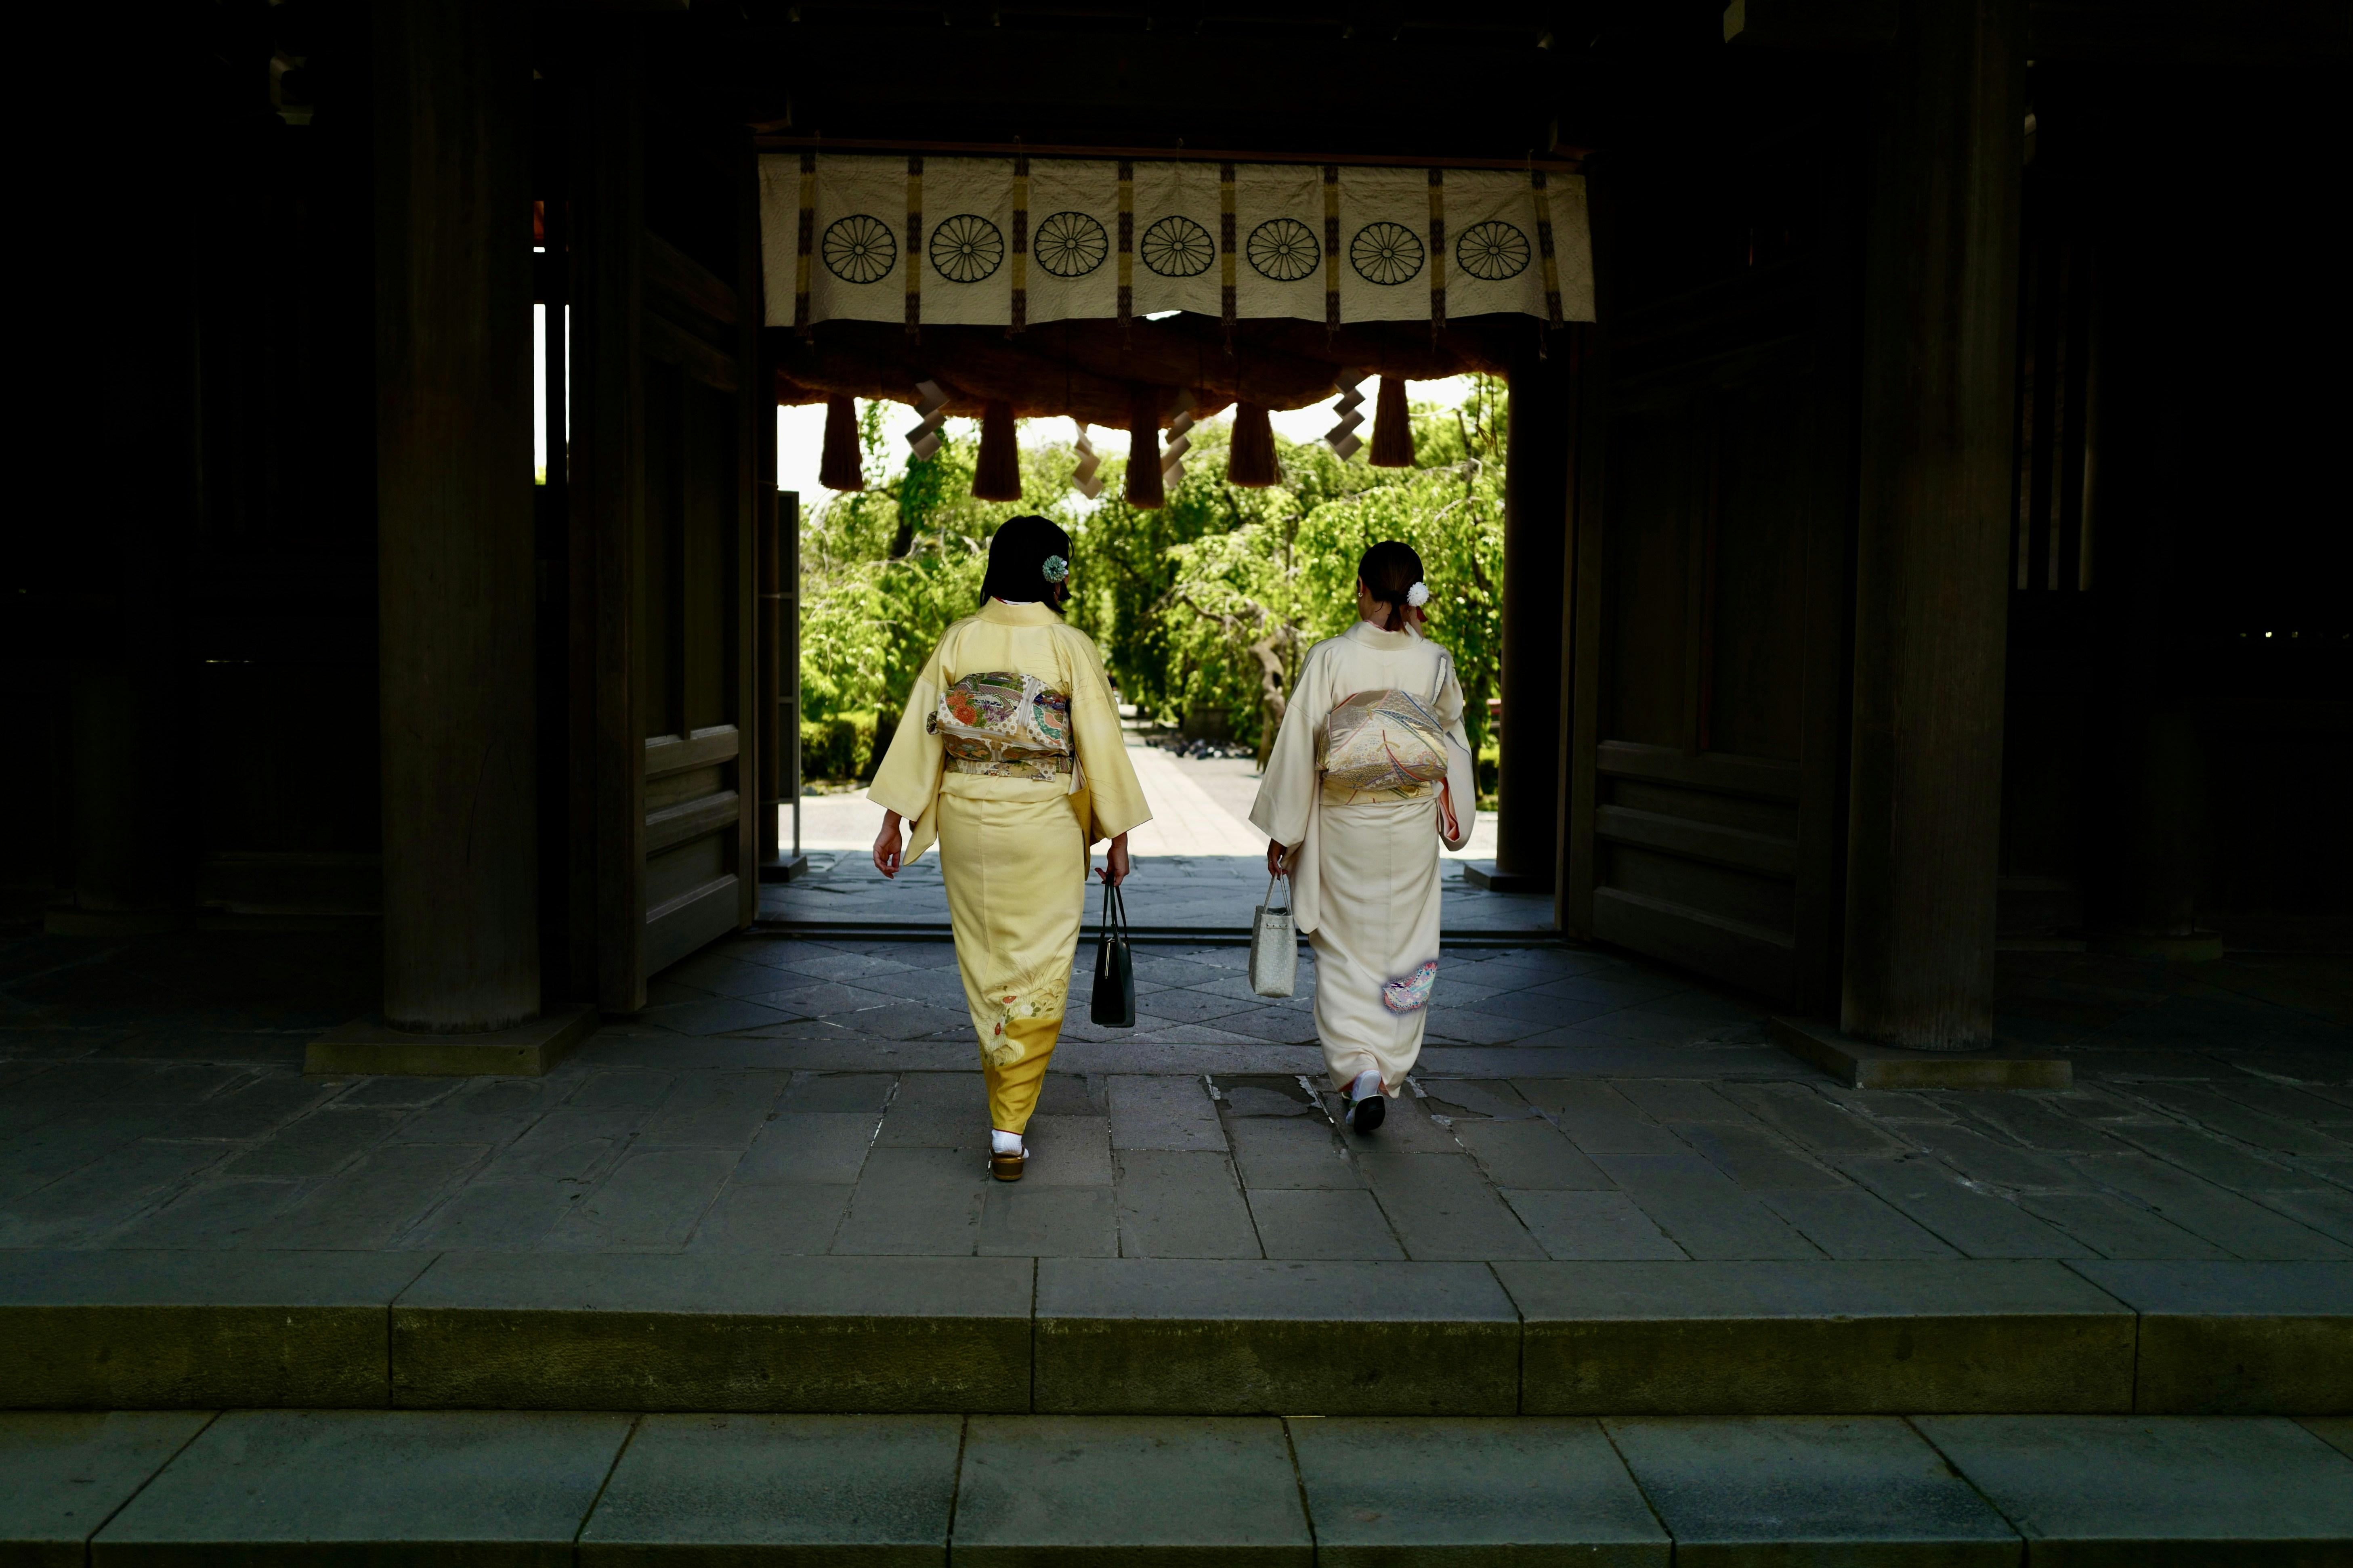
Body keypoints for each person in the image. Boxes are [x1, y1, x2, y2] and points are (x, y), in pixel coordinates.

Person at [867, 515, 1150, 1181]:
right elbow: (1102, 748)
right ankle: (1008, 1126)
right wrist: (1120, 836)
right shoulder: (1068, 645)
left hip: (969, 819)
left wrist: (892, 821)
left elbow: (921, 734)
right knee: (1040, 964)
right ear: (1056, 571)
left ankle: (1005, 1107)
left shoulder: (961, 639)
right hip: (1045, 822)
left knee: (987, 961)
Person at [1249, 541, 1476, 1132]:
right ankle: (1390, 1061)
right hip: (1409, 827)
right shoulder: (1435, 662)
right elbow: (1451, 734)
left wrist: (1285, 833)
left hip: (1345, 824)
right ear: (1413, 595)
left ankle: (1359, 1073)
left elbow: (1300, 746)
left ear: (1363, 588)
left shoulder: (1331, 658)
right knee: (1407, 946)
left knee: (1344, 952)